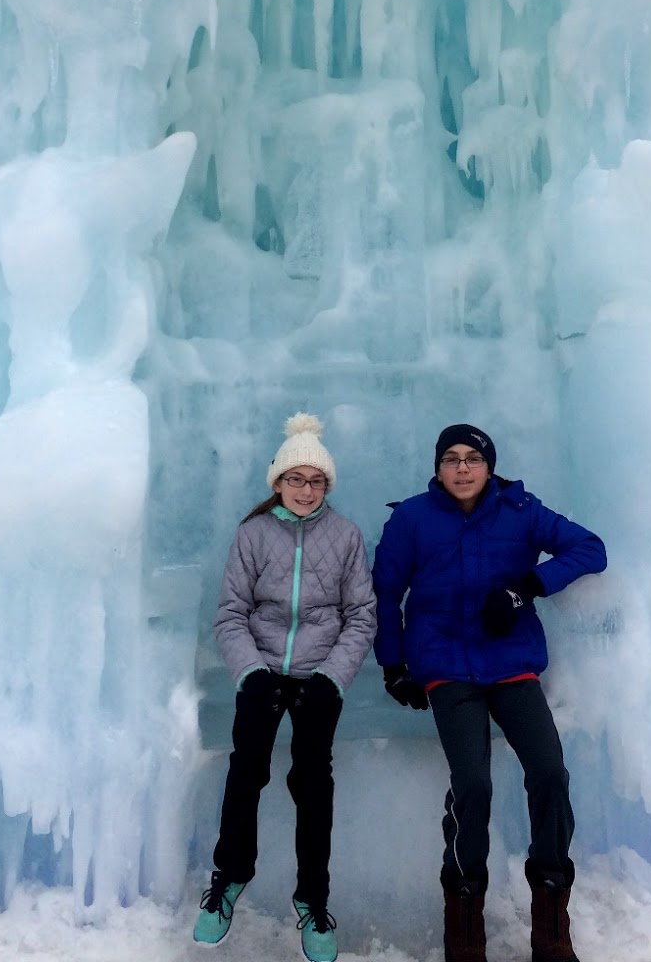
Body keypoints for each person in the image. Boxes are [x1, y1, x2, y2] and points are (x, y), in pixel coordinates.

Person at [372, 423, 607, 962]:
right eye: (450, 459)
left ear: (489, 466)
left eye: (472, 459)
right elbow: (385, 592)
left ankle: (551, 925)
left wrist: (527, 586)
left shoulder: (520, 510)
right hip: (445, 665)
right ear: (437, 468)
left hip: (511, 664)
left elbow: (589, 549)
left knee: (550, 773)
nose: (462, 468)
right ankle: (465, 929)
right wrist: (393, 665)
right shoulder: (412, 518)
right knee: (472, 784)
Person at [194, 412, 376, 961]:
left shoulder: (345, 536)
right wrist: (250, 674)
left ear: (327, 487)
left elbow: (361, 616)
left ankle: (313, 900)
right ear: (278, 482)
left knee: (313, 783)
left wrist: (332, 678)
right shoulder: (253, 534)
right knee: (246, 771)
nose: (306, 490)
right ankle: (230, 877)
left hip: (319, 676)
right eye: (296, 479)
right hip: (263, 673)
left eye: (316, 481)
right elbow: (231, 614)